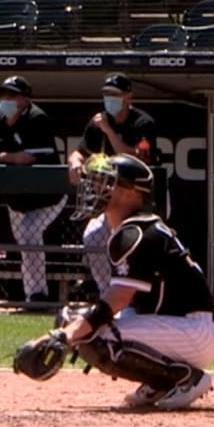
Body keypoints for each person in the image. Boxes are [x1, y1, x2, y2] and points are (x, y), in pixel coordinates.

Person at [49, 153, 214, 410]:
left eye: (108, 183)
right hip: (178, 325)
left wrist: (65, 336)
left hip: (191, 329)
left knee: (97, 334)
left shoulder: (136, 233)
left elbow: (118, 299)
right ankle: (162, 381)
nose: (97, 188)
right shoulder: (134, 229)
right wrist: (70, 329)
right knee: (75, 319)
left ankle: (183, 377)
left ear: (130, 194)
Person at [0, 75, 68, 306]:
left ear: (25, 99)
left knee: (27, 234)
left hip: (48, 197)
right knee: (25, 242)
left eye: (12, 95)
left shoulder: (37, 119)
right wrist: (10, 157)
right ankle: (32, 294)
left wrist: (3, 157)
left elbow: (33, 159)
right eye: (3, 95)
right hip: (16, 200)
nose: (6, 100)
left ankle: (37, 294)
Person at [65, 73, 158, 302]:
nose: (110, 99)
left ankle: (141, 298)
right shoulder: (97, 122)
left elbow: (140, 159)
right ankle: (108, 296)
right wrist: (74, 162)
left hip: (139, 199)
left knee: (140, 246)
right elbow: (80, 151)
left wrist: (109, 131)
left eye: (115, 94)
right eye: (106, 94)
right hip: (112, 198)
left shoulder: (142, 122)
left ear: (128, 97)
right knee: (94, 237)